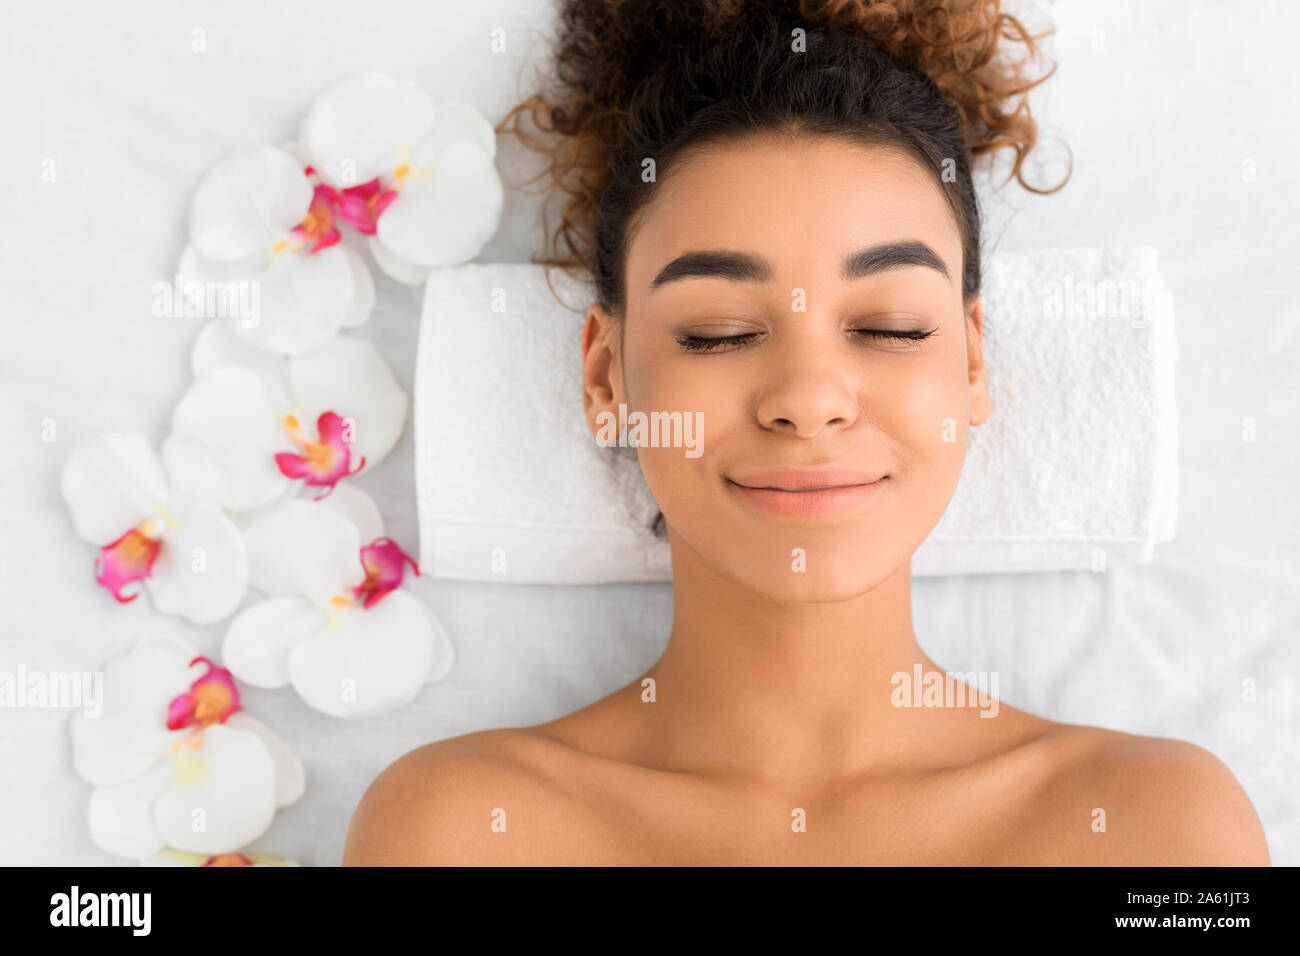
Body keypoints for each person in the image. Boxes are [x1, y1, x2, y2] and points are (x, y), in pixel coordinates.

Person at [345, 0, 1269, 865]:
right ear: (607, 376)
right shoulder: (464, 832)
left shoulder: (1159, 833)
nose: (810, 399)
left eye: (892, 328)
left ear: (973, 364)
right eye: (719, 334)